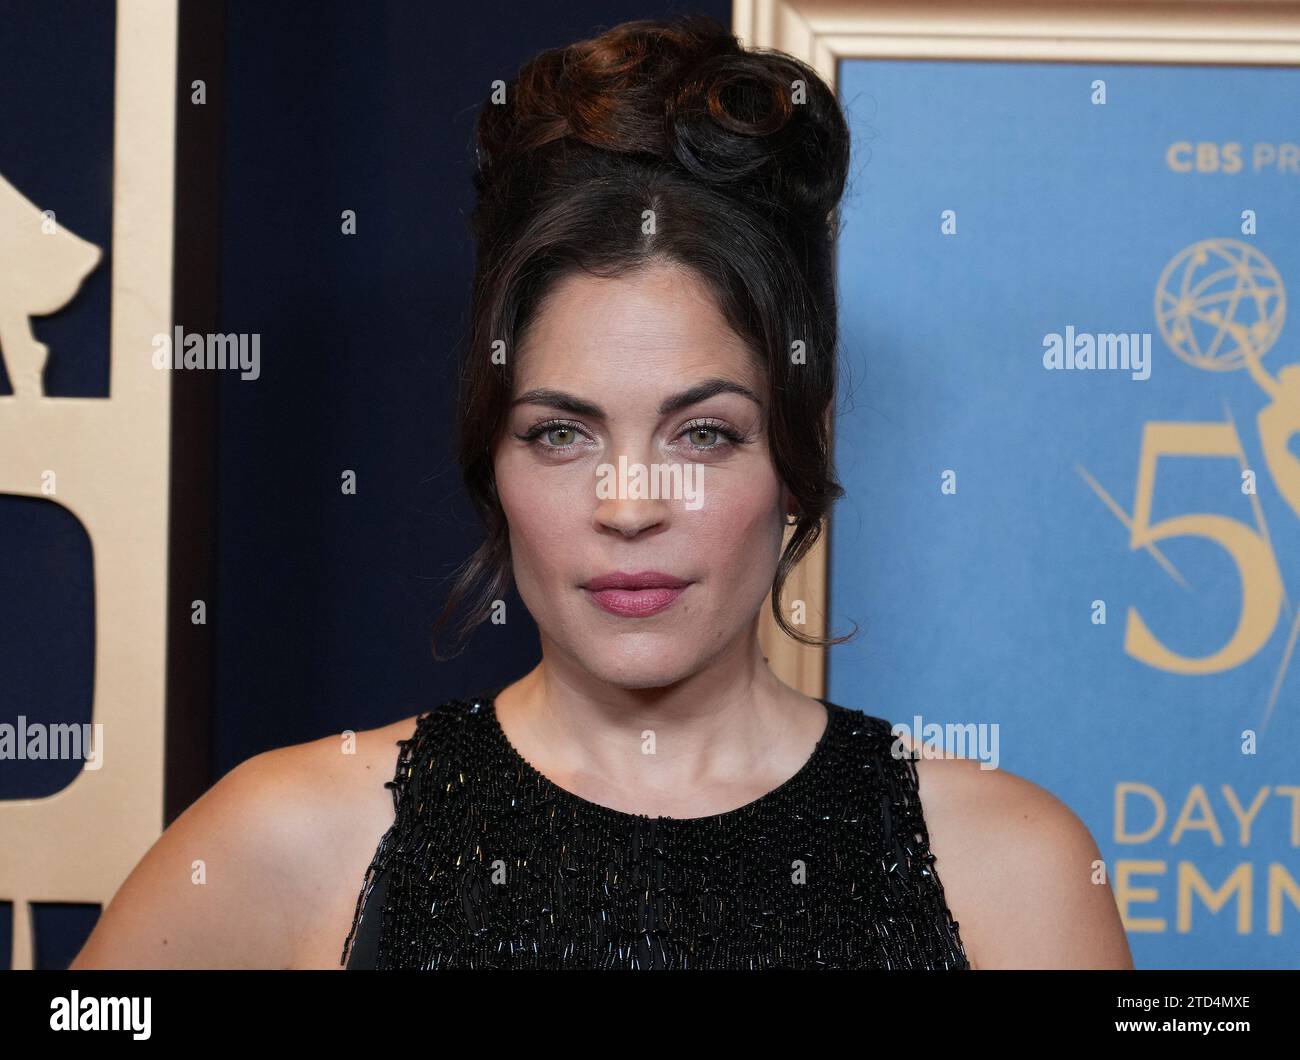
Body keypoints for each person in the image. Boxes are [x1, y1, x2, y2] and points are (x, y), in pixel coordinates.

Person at [71, 14, 1133, 971]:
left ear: (797, 450)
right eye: (562, 433)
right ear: (492, 450)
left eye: (704, 432)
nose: (629, 503)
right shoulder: (289, 837)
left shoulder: (1010, 871)